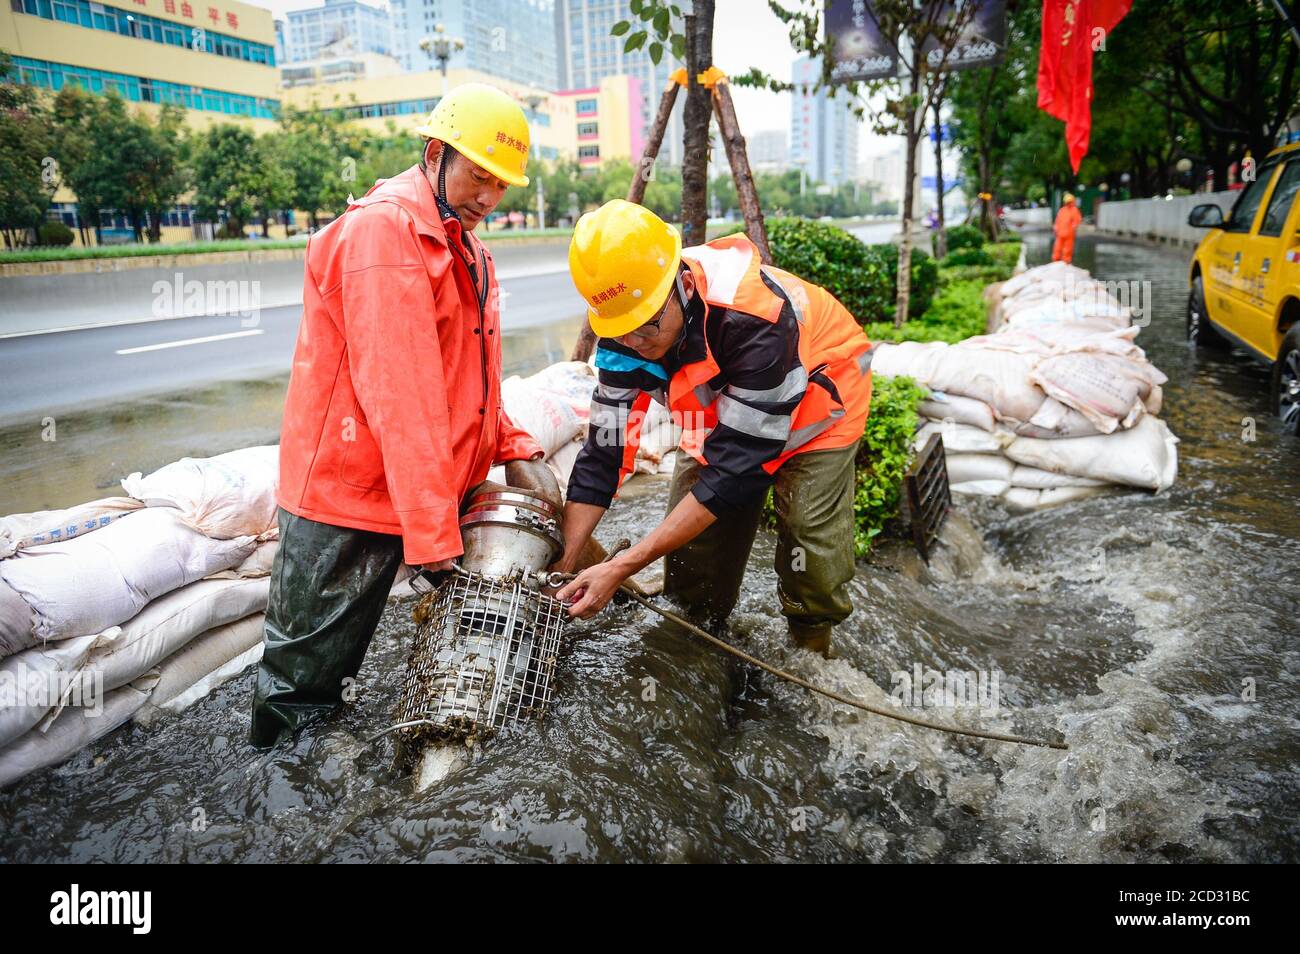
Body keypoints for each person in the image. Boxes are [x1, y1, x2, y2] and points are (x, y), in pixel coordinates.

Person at [249, 83, 545, 747]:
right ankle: (279, 803)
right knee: (305, 683)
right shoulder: (386, 231)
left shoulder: (467, 249)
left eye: (503, 185)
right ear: (436, 153)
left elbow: (472, 378)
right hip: (346, 500)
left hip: (415, 495)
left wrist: (514, 446)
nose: (490, 199)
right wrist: (435, 533)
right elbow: (400, 391)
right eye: (479, 176)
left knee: (366, 671)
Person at [554, 200, 875, 657]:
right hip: (724, 417)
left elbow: (732, 476)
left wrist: (622, 565)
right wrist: (565, 564)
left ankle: (811, 648)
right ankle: (702, 648)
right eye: (622, 332)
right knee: (693, 570)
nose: (634, 346)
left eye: (646, 329)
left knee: (811, 551)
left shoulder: (754, 319)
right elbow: (604, 451)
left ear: (683, 286)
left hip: (816, 409)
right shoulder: (626, 329)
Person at [1052, 192, 1082, 263]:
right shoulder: (1062, 210)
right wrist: (1055, 227)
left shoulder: (1074, 210)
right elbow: (1057, 221)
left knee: (1068, 249)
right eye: (1067, 202)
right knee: (1057, 248)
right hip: (1060, 233)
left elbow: (1077, 220)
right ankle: (1056, 260)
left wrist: (1074, 227)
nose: (1068, 203)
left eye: (1069, 202)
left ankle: (1066, 261)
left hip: (1069, 233)